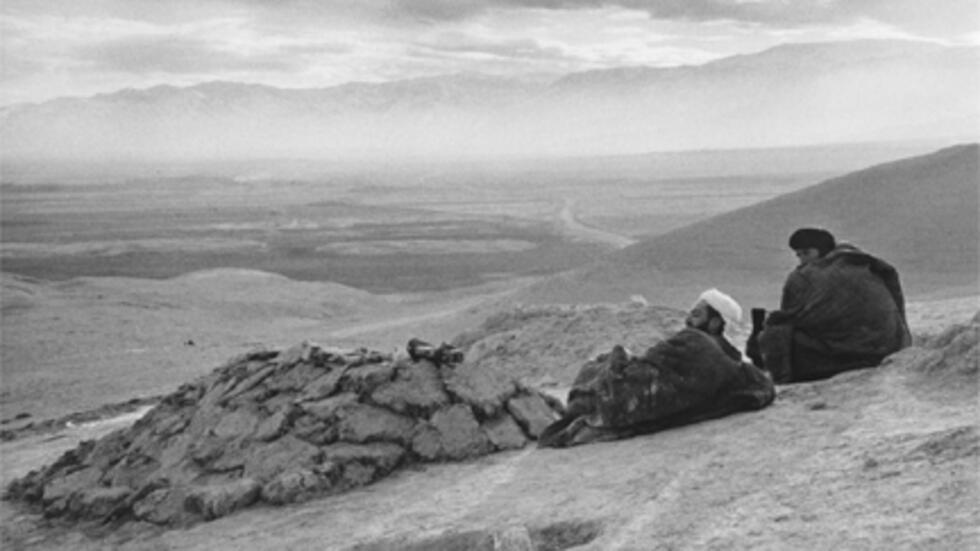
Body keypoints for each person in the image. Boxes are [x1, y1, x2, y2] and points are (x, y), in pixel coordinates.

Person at [539, 289, 775, 448]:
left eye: (695, 315)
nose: (688, 321)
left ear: (714, 323)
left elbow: (648, 368)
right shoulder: (731, 360)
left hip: (624, 400)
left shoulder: (695, 341)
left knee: (596, 368)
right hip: (663, 399)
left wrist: (620, 359)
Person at [755, 228, 911, 383]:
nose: (802, 260)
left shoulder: (806, 276)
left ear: (821, 250)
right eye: (799, 255)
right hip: (888, 346)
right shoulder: (863, 264)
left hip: (848, 354)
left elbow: (791, 318)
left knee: (775, 335)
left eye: (807, 253)